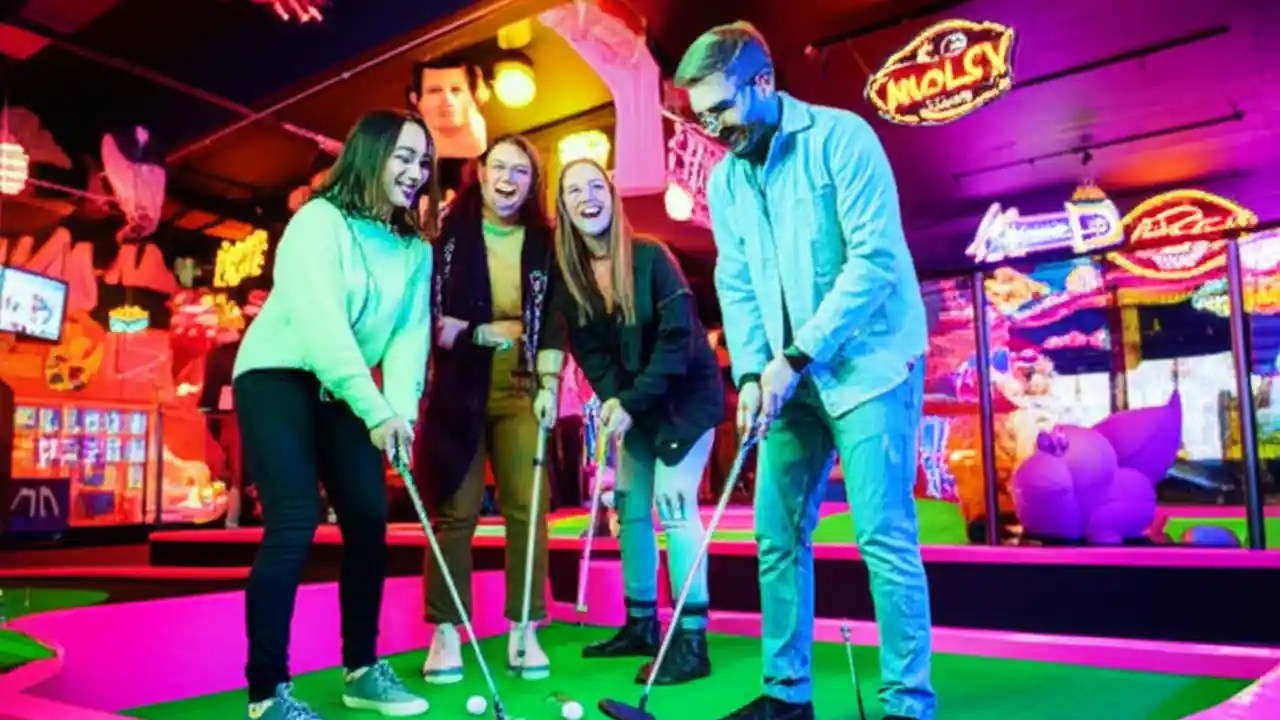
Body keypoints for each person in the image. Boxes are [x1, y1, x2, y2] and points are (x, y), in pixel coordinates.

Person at [675, 22, 935, 720]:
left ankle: (908, 705)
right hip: (787, 380)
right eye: (700, 115)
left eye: (721, 109)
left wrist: (796, 355)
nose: (712, 127)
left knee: (883, 535)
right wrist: (754, 371)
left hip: (871, 364)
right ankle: (786, 698)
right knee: (775, 535)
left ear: (762, 84)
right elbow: (736, 279)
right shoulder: (726, 180)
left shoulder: (842, 140)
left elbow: (875, 262)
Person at [232, 108, 439, 720]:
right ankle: (267, 695)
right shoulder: (316, 221)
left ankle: (361, 671)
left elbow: (408, 336)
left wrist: (400, 413)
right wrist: (374, 408)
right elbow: (321, 324)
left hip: (345, 391)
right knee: (294, 519)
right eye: (403, 156)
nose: (415, 171)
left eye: (423, 161)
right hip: (278, 374)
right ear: (370, 155)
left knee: (370, 521)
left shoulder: (412, 248)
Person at [550, 158, 725, 685]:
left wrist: (629, 401)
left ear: (612, 193)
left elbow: (679, 342)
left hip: (684, 400)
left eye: (595, 185)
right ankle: (642, 624)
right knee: (628, 509)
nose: (587, 196)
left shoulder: (651, 255)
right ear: (564, 208)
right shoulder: (572, 277)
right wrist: (613, 399)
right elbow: (590, 351)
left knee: (673, 505)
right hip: (636, 406)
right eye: (574, 190)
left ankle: (692, 643)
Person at [415, 134, 565, 683]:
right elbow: (431, 320)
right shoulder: (445, 236)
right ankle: (447, 631)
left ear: (532, 182)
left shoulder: (546, 241)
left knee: (529, 507)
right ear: (479, 173)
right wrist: (479, 332)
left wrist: (549, 381)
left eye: (520, 171)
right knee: (456, 510)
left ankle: (525, 627)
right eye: (497, 166)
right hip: (459, 391)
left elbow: (553, 317)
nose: (507, 178)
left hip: (523, 387)